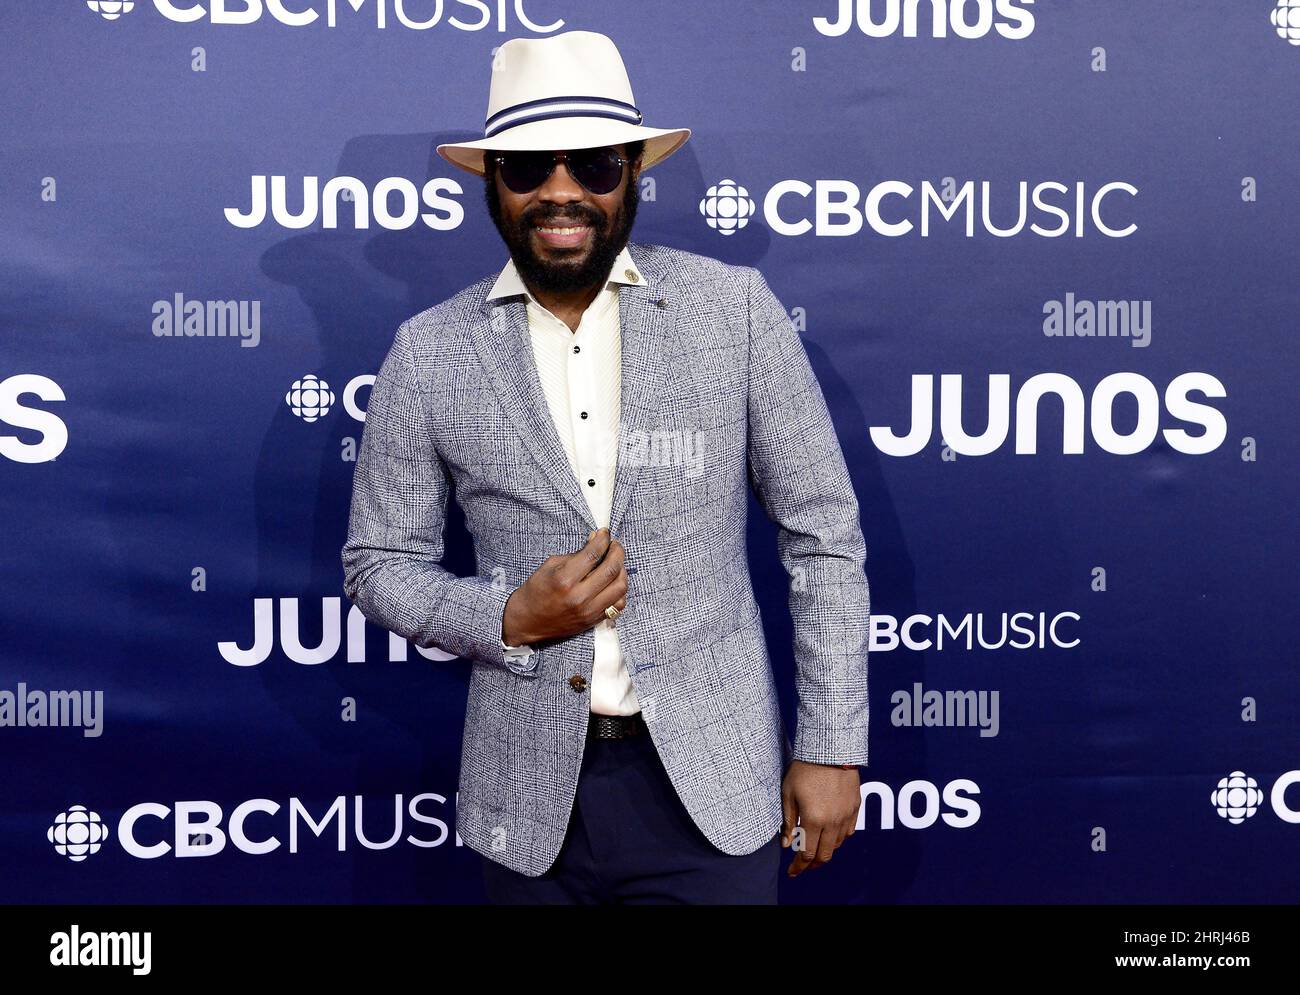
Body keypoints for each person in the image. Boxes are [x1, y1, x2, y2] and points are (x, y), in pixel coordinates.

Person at [341, 29, 870, 904]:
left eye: (591, 165)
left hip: (712, 788)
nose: (561, 191)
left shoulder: (732, 312)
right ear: (491, 181)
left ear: (630, 170)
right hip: (525, 798)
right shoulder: (429, 351)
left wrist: (831, 742)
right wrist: (507, 614)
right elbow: (378, 565)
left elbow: (823, 539)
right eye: (527, 168)